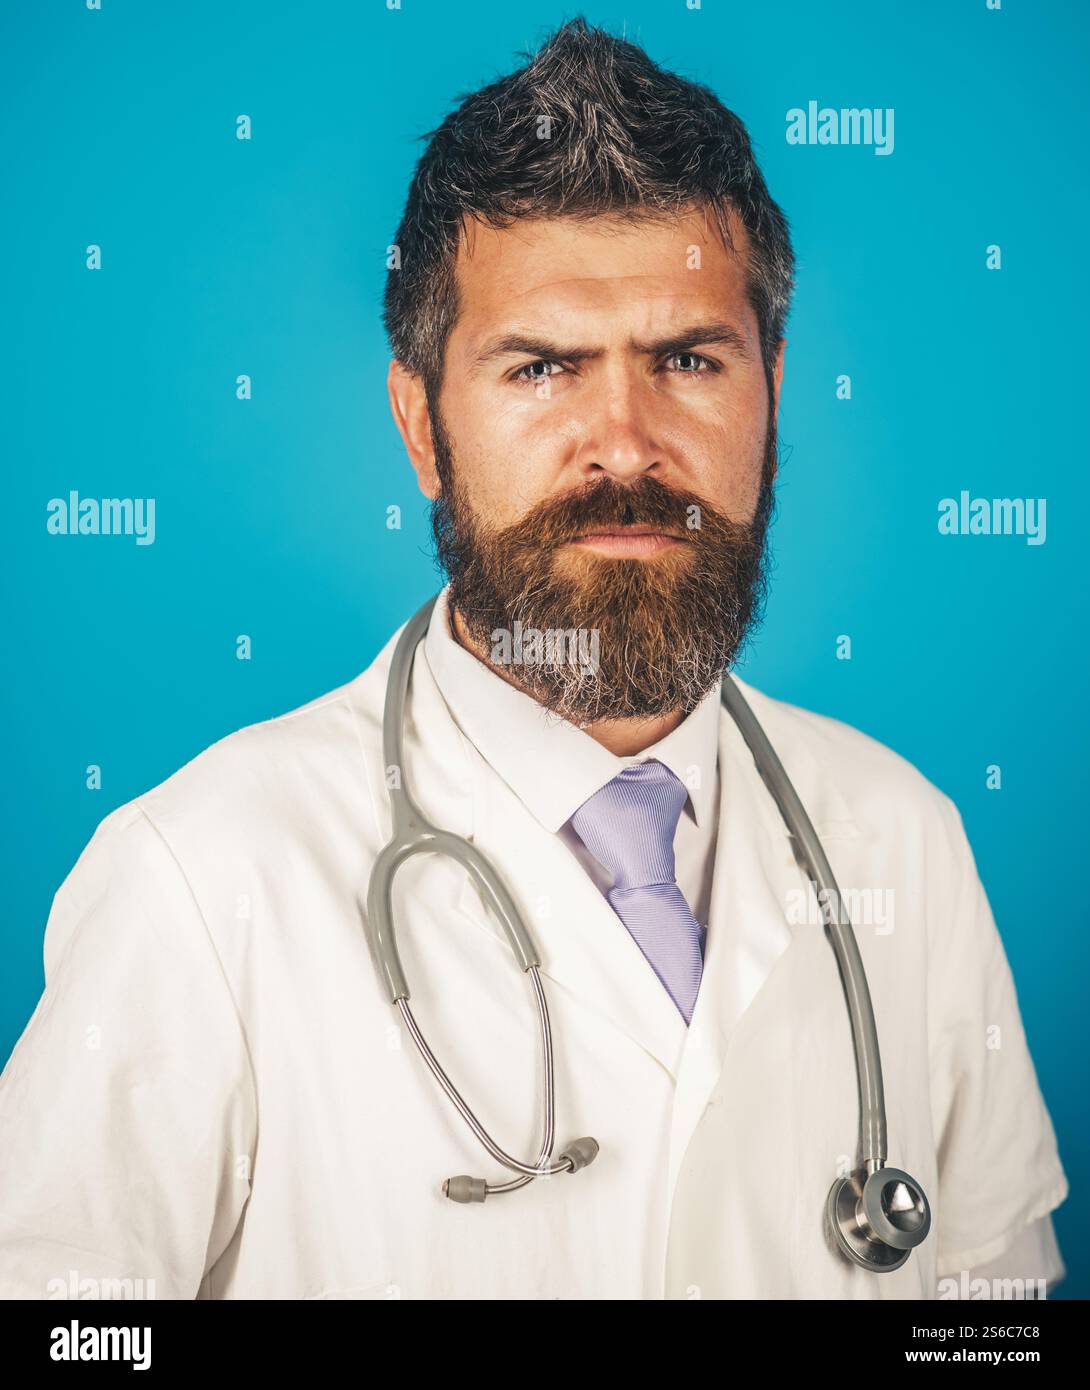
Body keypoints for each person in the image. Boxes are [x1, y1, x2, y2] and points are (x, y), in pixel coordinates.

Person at [0, 17, 1067, 1300]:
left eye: (686, 359)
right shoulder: (199, 880)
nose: (623, 445)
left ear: (773, 388)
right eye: (542, 368)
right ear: (420, 425)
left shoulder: (903, 841)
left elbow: (993, 1318)